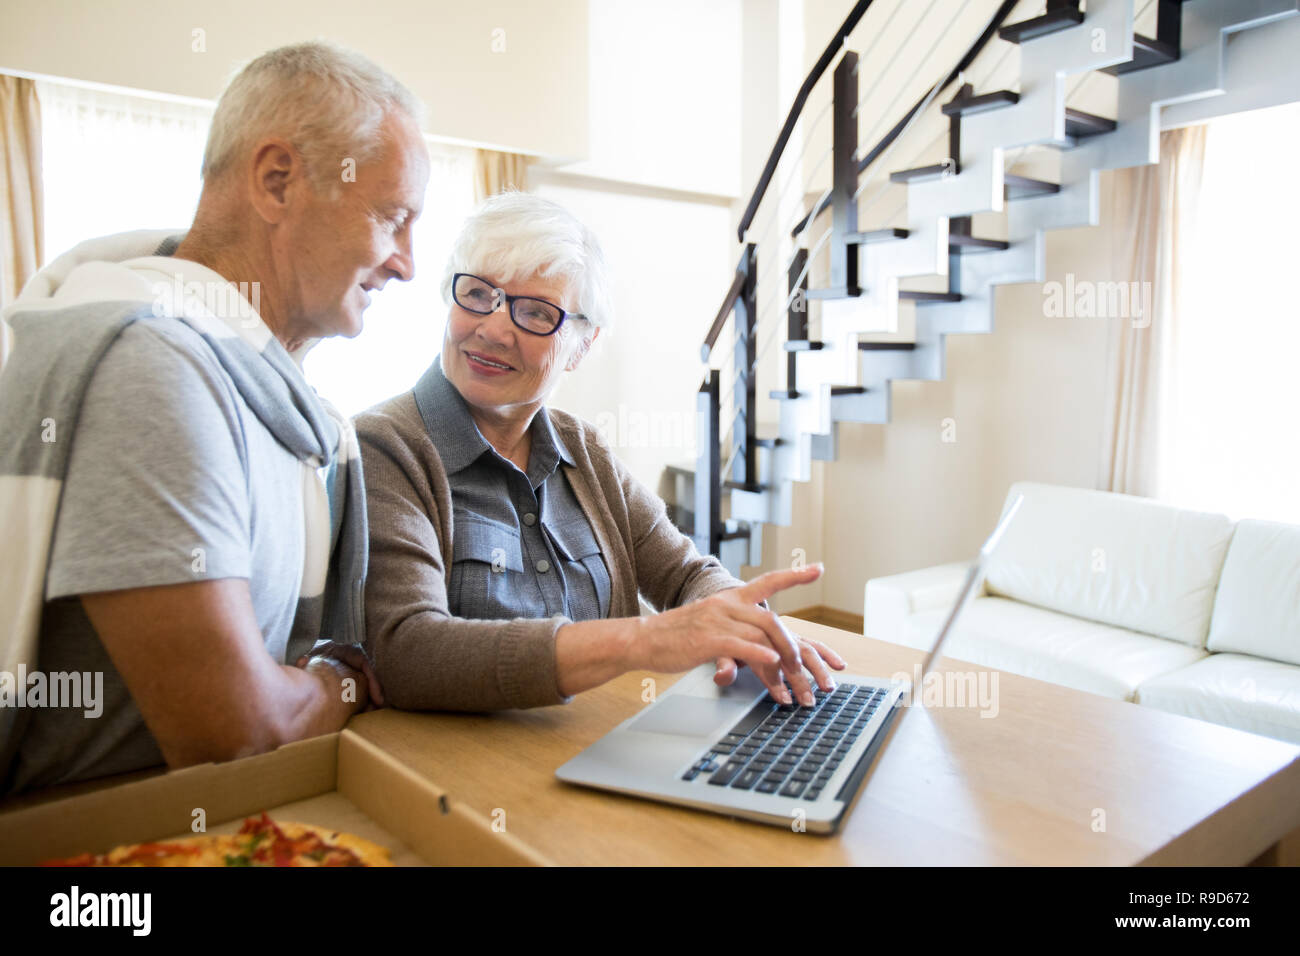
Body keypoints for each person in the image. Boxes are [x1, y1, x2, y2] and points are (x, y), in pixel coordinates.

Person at [0, 41, 429, 794]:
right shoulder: (152, 369)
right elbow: (233, 730)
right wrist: (341, 684)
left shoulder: (277, 402)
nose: (407, 263)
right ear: (276, 182)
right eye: (393, 217)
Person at [356, 192, 845, 713]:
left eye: (535, 312)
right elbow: (407, 653)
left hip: (603, 742)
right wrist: (643, 638)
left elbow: (685, 574)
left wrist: (744, 624)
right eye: (478, 294)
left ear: (581, 345)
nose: (494, 328)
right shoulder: (385, 445)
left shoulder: (585, 450)